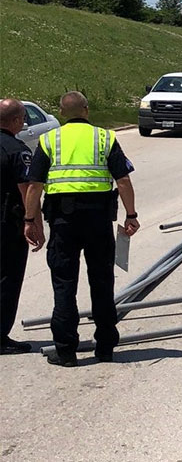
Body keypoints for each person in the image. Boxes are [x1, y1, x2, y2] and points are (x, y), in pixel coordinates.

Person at [24, 91, 139, 367]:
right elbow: (122, 180)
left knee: (64, 284)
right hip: (99, 220)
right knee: (102, 282)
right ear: (86, 110)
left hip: (63, 222)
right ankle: (106, 347)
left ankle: (66, 351)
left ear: (62, 113)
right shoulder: (105, 138)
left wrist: (30, 220)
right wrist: (131, 215)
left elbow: (34, 186)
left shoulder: (49, 139)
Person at [1, 99, 41, 354]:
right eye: (23, 119)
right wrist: (33, 223)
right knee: (7, 278)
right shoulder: (16, 149)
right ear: (15, 121)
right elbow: (28, 190)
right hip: (7, 224)